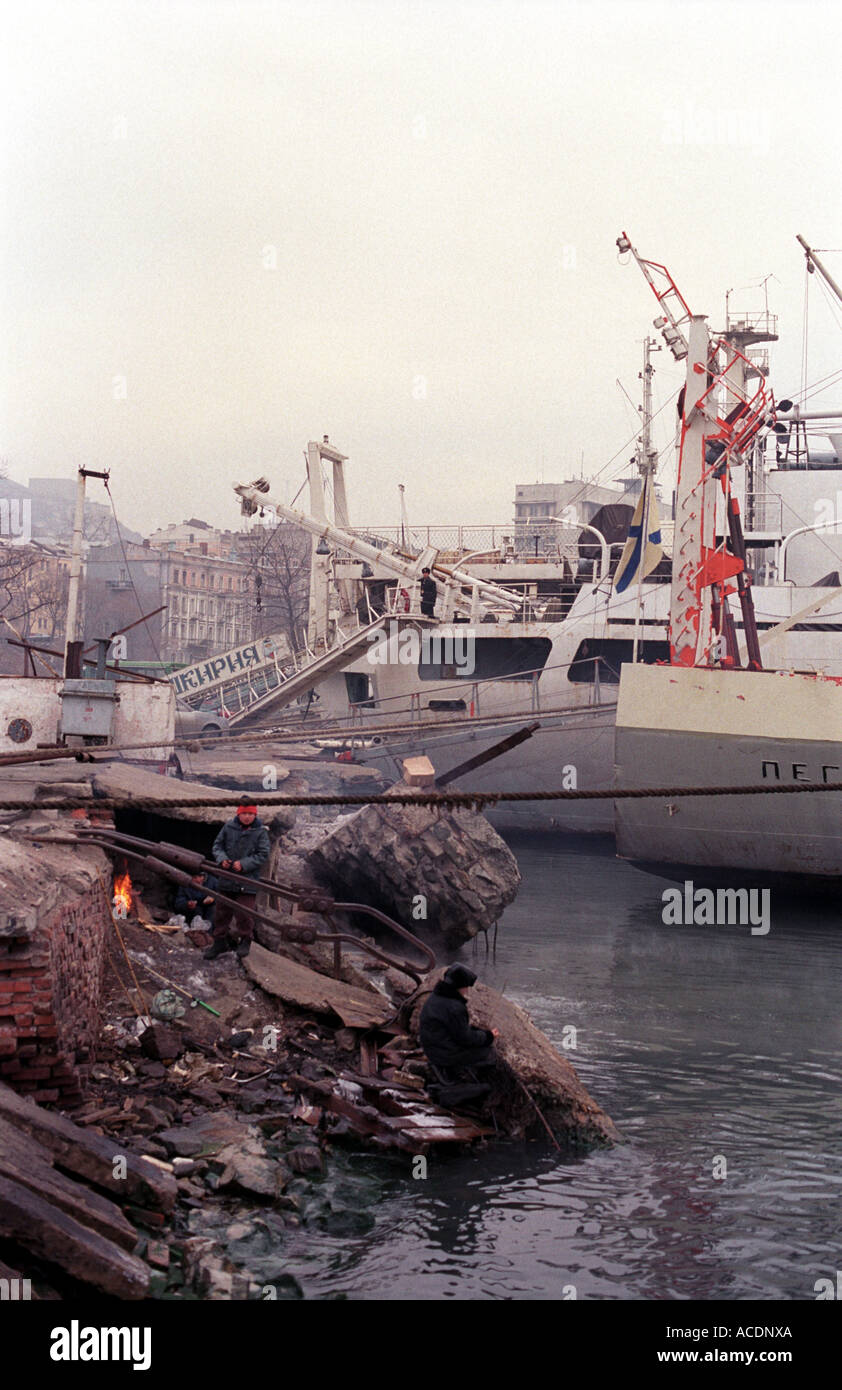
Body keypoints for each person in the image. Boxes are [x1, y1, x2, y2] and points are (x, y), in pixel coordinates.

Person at [204, 798, 270, 960]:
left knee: (244, 913)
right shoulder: (228, 828)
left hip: (247, 881)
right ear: (238, 814)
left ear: (255, 815)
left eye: (250, 814)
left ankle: (245, 940)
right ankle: (219, 942)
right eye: (244, 813)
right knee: (221, 912)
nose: (247, 817)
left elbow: (263, 854)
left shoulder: (260, 832)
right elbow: (217, 846)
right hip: (227, 879)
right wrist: (222, 859)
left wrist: (244, 864)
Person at [419, 964, 500, 1075]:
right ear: (459, 986)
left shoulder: (435, 996)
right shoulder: (455, 1007)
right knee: (489, 1053)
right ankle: (459, 1075)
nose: (466, 991)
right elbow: (465, 1039)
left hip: (431, 1049)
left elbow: (457, 1029)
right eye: (465, 987)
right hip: (443, 1055)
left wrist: (481, 1032)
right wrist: (488, 1036)